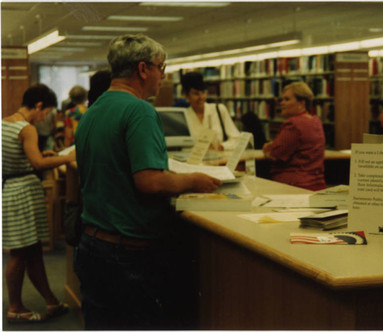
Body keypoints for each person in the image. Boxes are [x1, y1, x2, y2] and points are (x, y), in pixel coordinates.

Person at [73, 34, 221, 330]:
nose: (163, 76)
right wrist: (193, 179)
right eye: (160, 67)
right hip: (126, 255)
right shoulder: (139, 110)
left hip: (91, 246)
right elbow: (150, 182)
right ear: (143, 69)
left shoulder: (93, 112)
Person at [2, 84, 76, 323]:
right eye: (45, 113)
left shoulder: (5, 122)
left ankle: (51, 302)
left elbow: (22, 156)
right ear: (39, 105)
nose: (45, 118)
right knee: (20, 252)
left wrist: (42, 156)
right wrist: (66, 157)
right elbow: (35, 164)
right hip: (23, 192)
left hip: (11, 189)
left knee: (31, 251)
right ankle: (15, 307)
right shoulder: (27, 128)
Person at [262, 82, 326, 191]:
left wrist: (268, 150)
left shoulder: (293, 124)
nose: (282, 103)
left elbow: (275, 154)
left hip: (293, 185)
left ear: (302, 103)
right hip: (317, 183)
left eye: (287, 99)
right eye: (282, 99)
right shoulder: (315, 120)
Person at [181, 71, 240, 150]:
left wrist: (222, 146)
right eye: (196, 93)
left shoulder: (219, 110)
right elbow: (182, 147)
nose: (201, 97)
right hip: (193, 162)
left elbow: (237, 139)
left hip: (219, 160)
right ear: (186, 96)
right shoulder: (183, 117)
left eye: (203, 92)